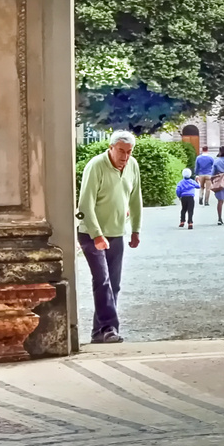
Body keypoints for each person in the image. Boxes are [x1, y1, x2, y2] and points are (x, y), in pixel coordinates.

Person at [76, 130, 142, 343]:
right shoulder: (96, 166)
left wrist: (135, 230)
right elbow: (85, 203)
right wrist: (97, 235)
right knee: (102, 281)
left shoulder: (132, 165)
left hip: (116, 233)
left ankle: (98, 333)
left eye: (129, 152)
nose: (125, 156)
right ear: (111, 148)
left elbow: (135, 199)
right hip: (91, 233)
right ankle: (109, 328)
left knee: (114, 284)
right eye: (121, 151)